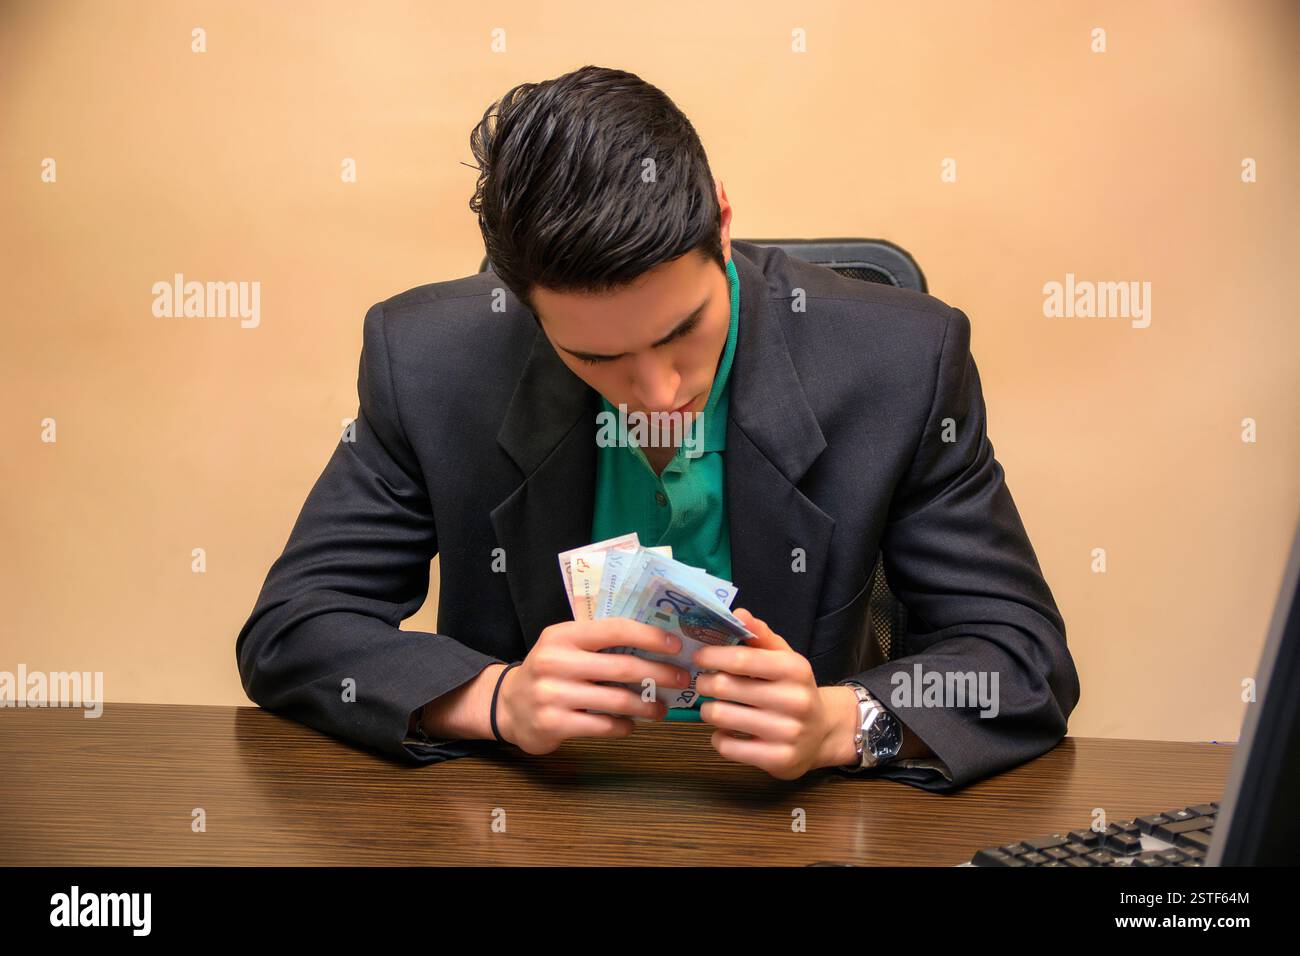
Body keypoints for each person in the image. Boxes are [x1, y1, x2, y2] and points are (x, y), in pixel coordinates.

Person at [236, 65, 1079, 791]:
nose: (658, 391)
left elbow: (1019, 658)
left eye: (682, 332)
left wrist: (843, 724)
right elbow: (296, 626)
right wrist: (496, 700)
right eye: (596, 357)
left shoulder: (904, 358)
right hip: (528, 821)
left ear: (718, 219)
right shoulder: (427, 361)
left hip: (792, 826)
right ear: (526, 307)